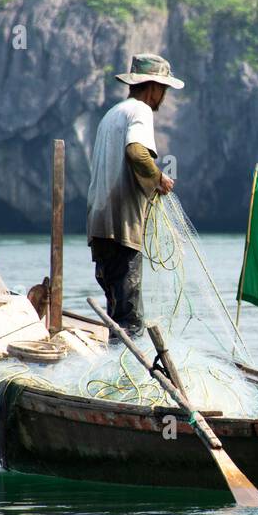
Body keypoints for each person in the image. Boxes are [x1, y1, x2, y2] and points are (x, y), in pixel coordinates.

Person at [85, 53, 184, 333]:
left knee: (117, 310)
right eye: (163, 89)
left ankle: (115, 367)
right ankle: (126, 374)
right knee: (130, 320)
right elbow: (136, 152)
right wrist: (158, 179)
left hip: (99, 226)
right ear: (152, 86)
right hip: (122, 226)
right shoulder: (139, 110)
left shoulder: (112, 114)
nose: (163, 96)